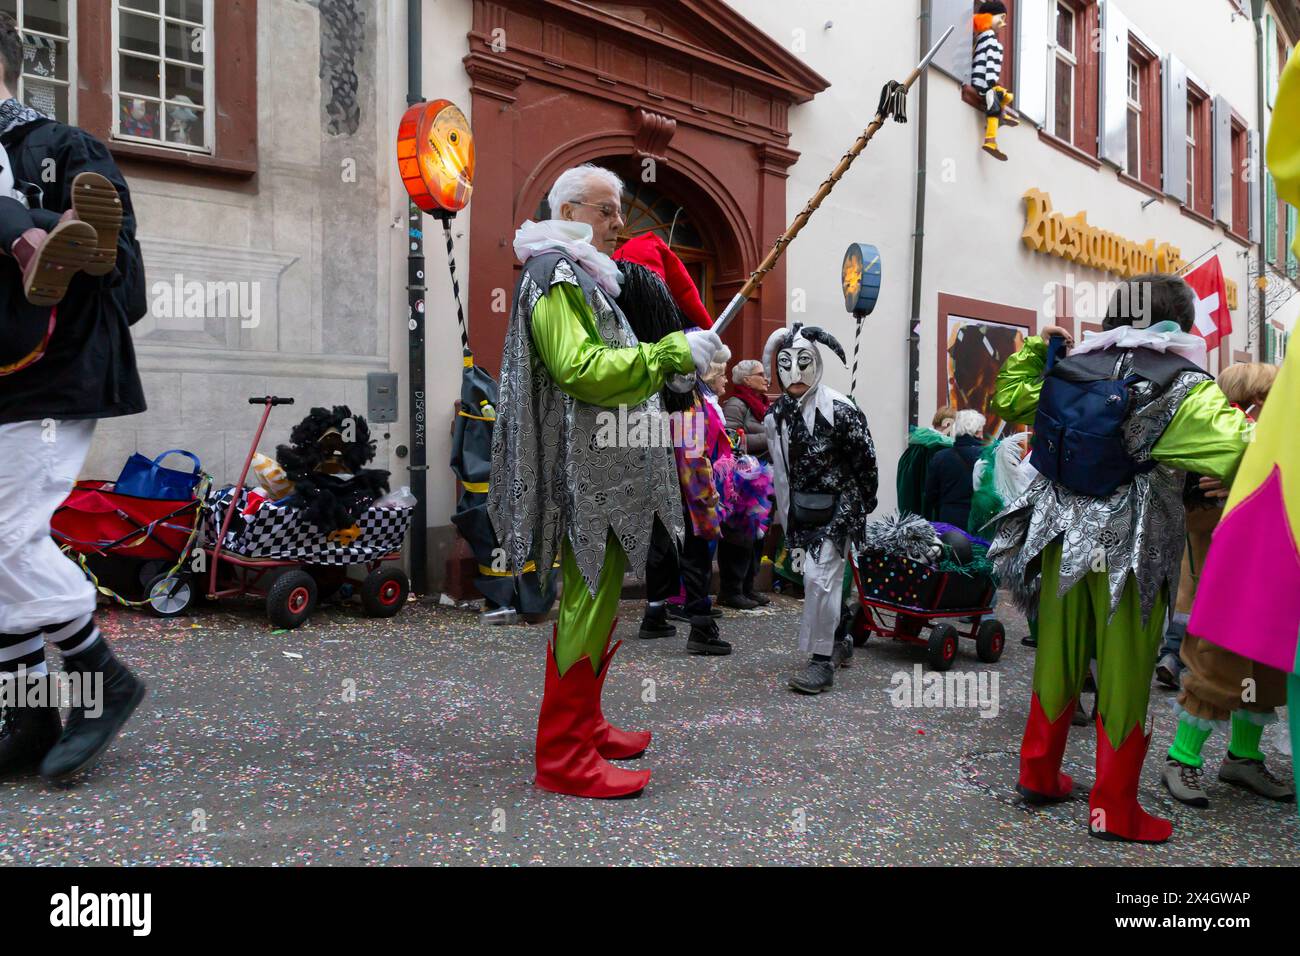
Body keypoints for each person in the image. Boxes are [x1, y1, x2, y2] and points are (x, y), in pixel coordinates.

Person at [489, 164, 724, 798]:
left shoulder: (589, 274)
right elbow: (580, 369)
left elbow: (618, 366)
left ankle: (585, 725)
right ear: (568, 210)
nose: (620, 223)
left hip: (612, 473)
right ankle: (563, 756)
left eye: (618, 211)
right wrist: (671, 353)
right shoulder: (555, 272)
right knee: (586, 600)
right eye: (607, 210)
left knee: (596, 602)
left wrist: (674, 373)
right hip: (584, 476)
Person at [989, 274, 1250, 843]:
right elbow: (1238, 451)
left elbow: (1008, 397)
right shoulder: (1183, 384)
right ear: (1180, 324)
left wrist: (1038, 346)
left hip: (1058, 542)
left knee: (1056, 658)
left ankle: (1037, 773)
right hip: (1132, 553)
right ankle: (1113, 809)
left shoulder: (1073, 367)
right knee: (1126, 671)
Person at [0, 11, 150, 783]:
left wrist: (75, 249)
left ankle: (101, 683)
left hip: (52, 376)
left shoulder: (64, 149)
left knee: (6, 539)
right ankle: (27, 718)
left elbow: (131, 288)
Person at [1162, 363, 1294, 806]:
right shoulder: (1214, 449)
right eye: (1265, 400)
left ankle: (1243, 757)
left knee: (1264, 673)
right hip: (1225, 587)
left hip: (1271, 580)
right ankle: (1182, 758)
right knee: (1215, 670)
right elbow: (1201, 516)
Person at [613, 232, 733, 657]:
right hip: (679, 440)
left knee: (661, 531)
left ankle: (656, 612)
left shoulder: (631, 345)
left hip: (644, 440)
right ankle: (699, 622)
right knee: (694, 526)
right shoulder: (675, 355)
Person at [763, 323, 878, 695]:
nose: (795, 374)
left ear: (817, 363)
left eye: (804, 362)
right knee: (810, 579)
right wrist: (786, 518)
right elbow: (782, 472)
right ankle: (842, 630)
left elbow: (866, 461)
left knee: (819, 578)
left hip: (841, 506)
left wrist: (865, 502)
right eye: (786, 364)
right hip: (803, 510)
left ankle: (821, 661)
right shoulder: (776, 416)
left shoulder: (841, 411)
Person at [722, 359, 772, 608]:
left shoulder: (762, 405)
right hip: (742, 481)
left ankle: (747, 587)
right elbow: (732, 439)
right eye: (760, 374)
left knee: (757, 536)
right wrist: (771, 437)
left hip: (763, 480)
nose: (766, 378)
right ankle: (731, 591)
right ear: (746, 379)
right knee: (739, 536)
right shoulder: (736, 404)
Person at [924, 408, 986, 530]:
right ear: (977, 432)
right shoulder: (988, 456)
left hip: (949, 520)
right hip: (980, 520)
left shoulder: (940, 457)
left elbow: (930, 493)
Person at [972, 1, 1017, 162]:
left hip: (983, 81)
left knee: (1005, 97)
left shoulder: (984, 38)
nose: (1003, 23)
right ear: (989, 16)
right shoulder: (990, 39)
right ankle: (990, 141)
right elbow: (989, 62)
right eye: (1001, 18)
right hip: (984, 82)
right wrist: (991, 82)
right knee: (994, 107)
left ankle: (1002, 116)